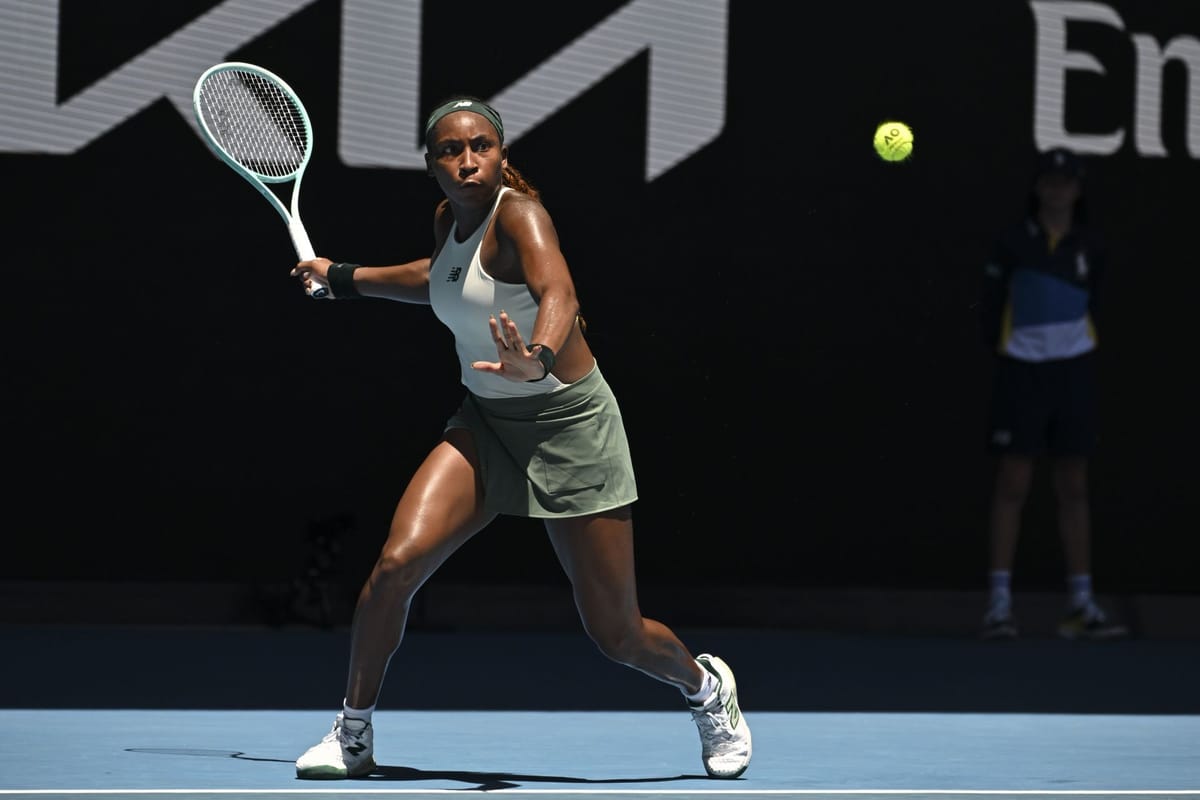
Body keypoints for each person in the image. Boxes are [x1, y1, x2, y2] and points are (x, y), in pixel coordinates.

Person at [287, 96, 752, 779]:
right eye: (451, 150)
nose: (467, 160)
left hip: (571, 428)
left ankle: (706, 688)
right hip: (487, 423)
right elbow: (439, 279)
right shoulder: (448, 219)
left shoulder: (522, 216)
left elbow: (557, 290)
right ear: (431, 164)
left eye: (481, 146)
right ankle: (352, 732)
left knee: (617, 634)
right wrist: (344, 279)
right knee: (395, 567)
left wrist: (537, 356)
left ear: (501, 155)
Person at [977, 146, 1128, 642]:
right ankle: (999, 605)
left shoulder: (1091, 246)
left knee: (1074, 484)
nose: (1057, 190)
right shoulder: (1012, 243)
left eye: (1066, 182)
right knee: (1013, 482)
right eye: (1049, 182)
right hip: (1022, 373)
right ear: (1038, 188)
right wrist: (1017, 349)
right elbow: (991, 310)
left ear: (1077, 190)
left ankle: (1080, 605)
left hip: (1072, 373)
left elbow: (1097, 304)